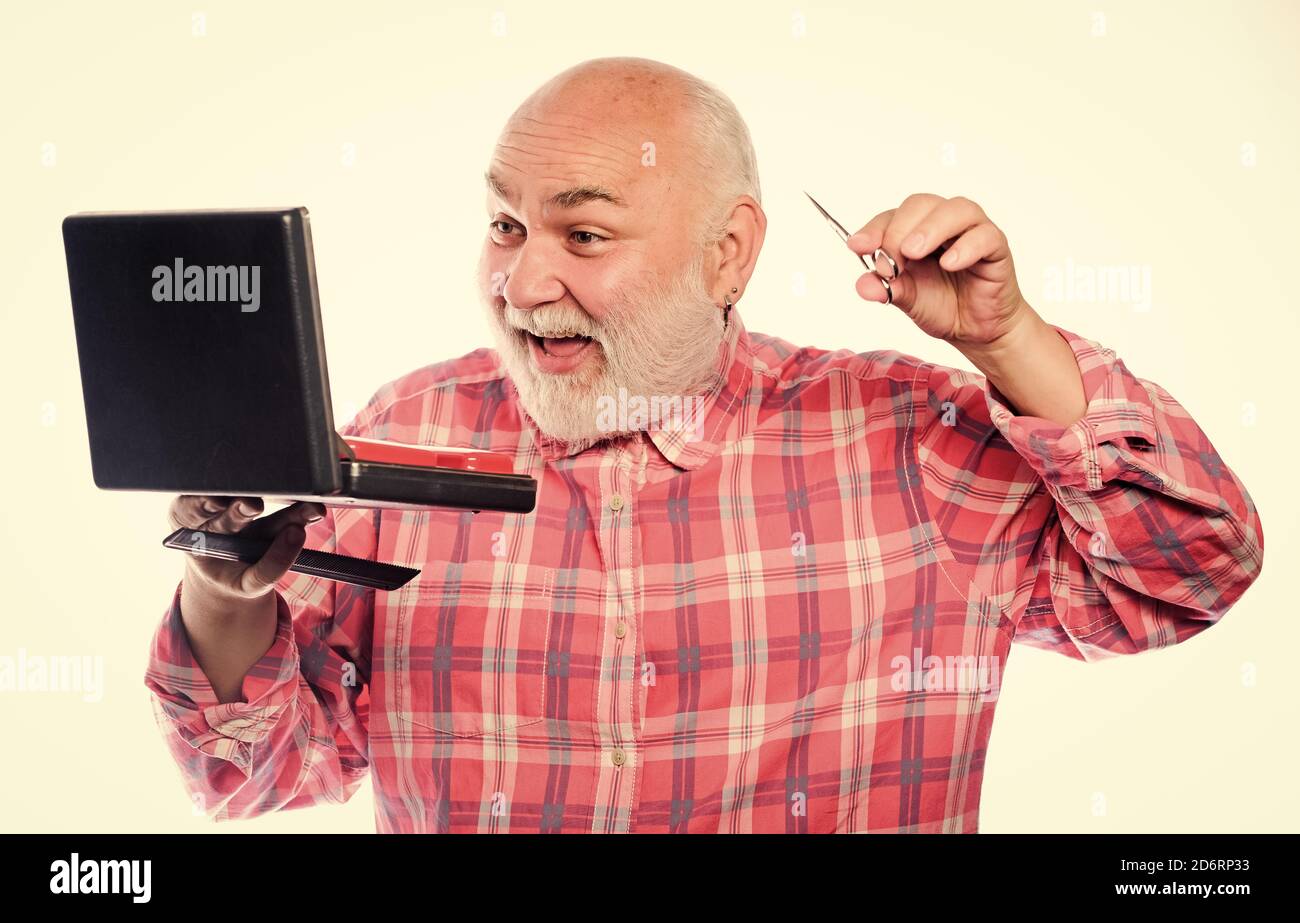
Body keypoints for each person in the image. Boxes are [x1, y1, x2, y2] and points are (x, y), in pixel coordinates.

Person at [145, 56, 1264, 833]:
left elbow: (1188, 571)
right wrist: (225, 586)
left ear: (728, 254)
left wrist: (1008, 339)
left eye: (583, 234)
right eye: (503, 224)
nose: (523, 284)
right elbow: (257, 775)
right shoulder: (407, 434)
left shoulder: (903, 437)